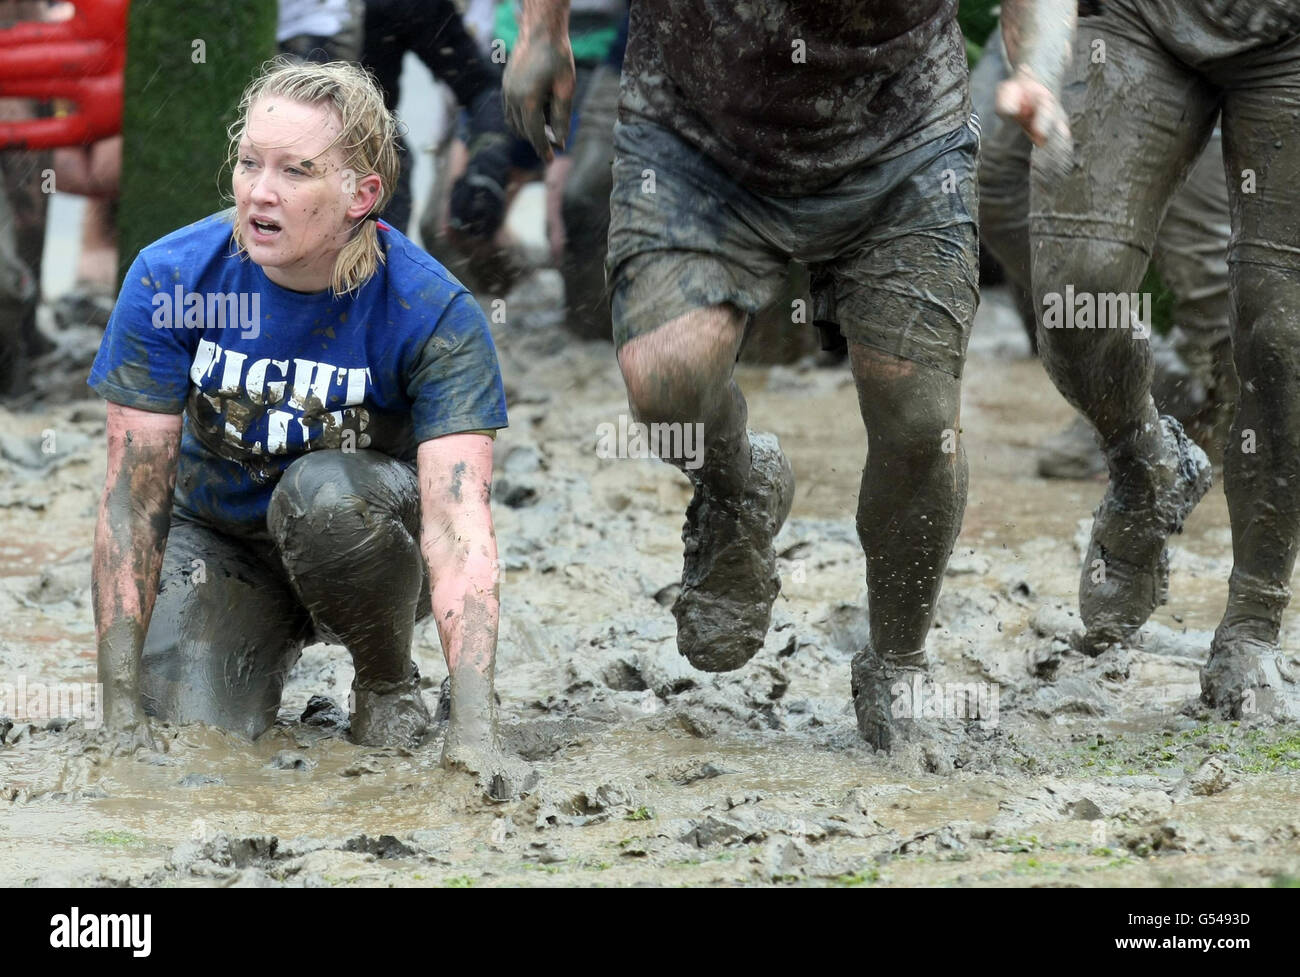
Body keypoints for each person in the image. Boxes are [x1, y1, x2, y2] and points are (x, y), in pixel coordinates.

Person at [503, 0, 1066, 750]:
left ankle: (899, 658)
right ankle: (736, 490)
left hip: (902, 130)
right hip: (692, 130)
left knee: (918, 414)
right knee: (667, 381)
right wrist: (543, 32)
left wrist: (1038, 70)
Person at [87, 58, 521, 791]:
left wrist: (476, 733)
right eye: (250, 161)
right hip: (222, 540)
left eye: (296, 170)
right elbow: (134, 500)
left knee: (323, 493)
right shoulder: (172, 279)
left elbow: (459, 526)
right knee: (191, 740)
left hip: (371, 540)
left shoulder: (431, 309)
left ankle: (384, 681)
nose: (260, 190)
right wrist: (120, 713)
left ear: (362, 194)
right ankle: (235, 647)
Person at [1013, 0, 1300, 717]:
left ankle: (1253, 623)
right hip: (1143, 20)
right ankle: (1145, 464)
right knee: (1080, 287)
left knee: (1283, 330)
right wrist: (1039, 68)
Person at [971, 21, 1236, 478]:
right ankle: (1137, 366)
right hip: (1057, 18)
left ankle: (1233, 432)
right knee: (990, 175)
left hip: (1204, 24)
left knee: (1204, 253)